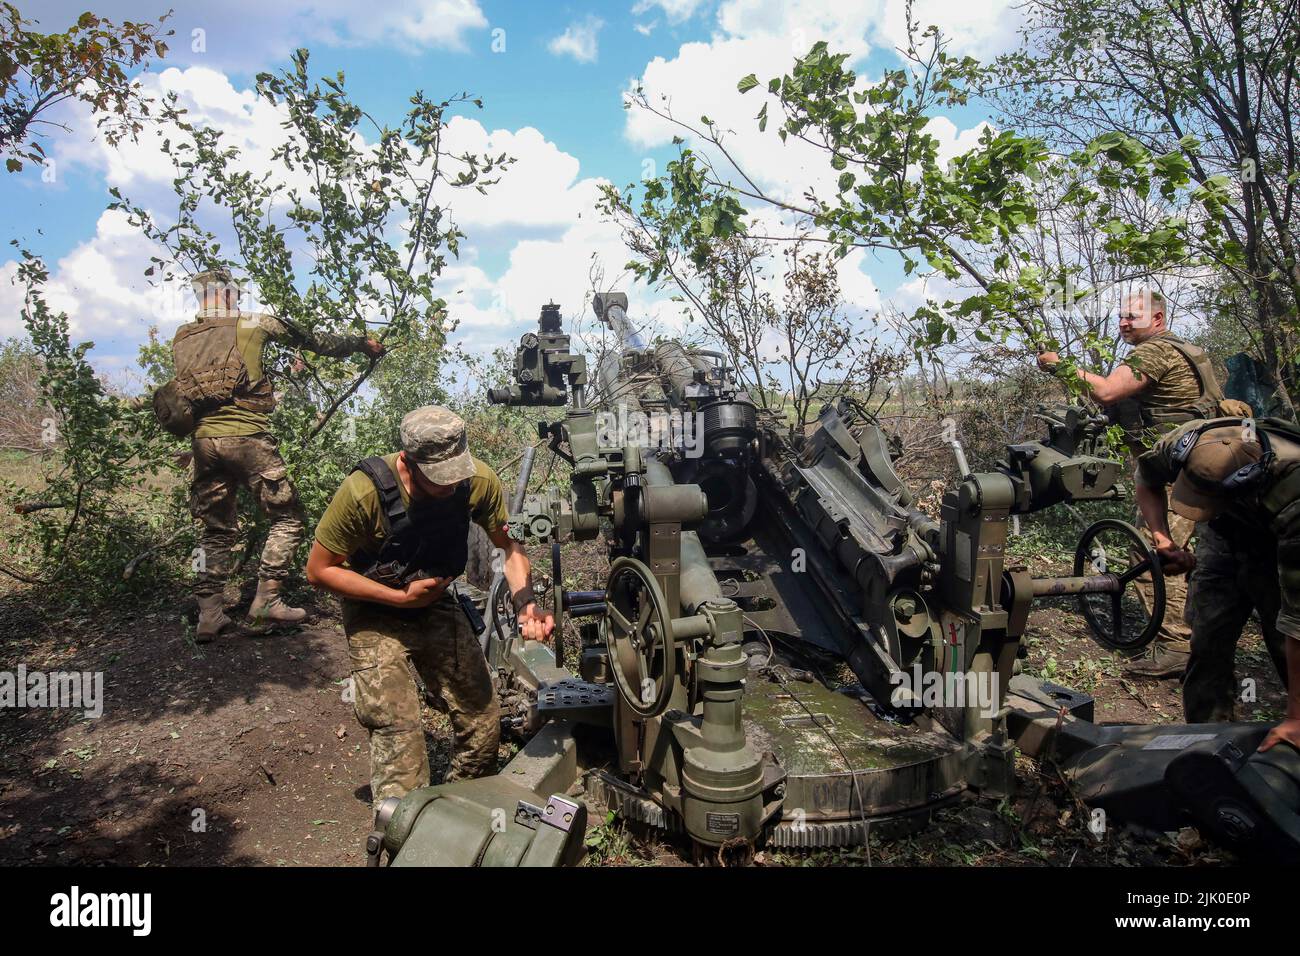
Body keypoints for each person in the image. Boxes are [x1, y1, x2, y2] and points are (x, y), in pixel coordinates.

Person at [306, 405, 555, 803]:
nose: (451, 485)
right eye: (440, 479)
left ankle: (464, 806)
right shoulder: (364, 491)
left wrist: (526, 603)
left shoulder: (478, 481)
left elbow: (508, 546)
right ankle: (405, 832)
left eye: (457, 473)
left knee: (482, 715)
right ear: (408, 461)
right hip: (375, 610)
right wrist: (398, 598)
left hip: (435, 601)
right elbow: (319, 571)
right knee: (398, 730)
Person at [1038, 289, 1249, 677]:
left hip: (1182, 473)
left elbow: (1106, 390)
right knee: (1219, 558)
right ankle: (1213, 645)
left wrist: (1058, 365)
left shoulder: (1154, 352)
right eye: (1120, 317)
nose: (1123, 323)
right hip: (1213, 466)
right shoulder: (1185, 349)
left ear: (1157, 319)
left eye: (1132, 317)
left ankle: (1175, 647)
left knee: (1152, 551)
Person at [178, 267, 384, 641]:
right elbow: (316, 340)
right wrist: (360, 343)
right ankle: (265, 604)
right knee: (287, 518)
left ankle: (209, 615)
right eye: (235, 295)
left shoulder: (182, 337)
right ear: (226, 295)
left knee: (216, 528)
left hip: (203, 442)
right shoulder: (254, 324)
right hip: (248, 437)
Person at [1134, 416, 1298, 752]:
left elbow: (1299, 622)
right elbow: (1146, 478)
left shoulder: (1294, 495)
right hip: (1225, 536)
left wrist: (1296, 718)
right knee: (1207, 640)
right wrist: (1164, 541)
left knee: (1283, 641)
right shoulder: (1184, 442)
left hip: (1277, 545)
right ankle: (1207, 744)